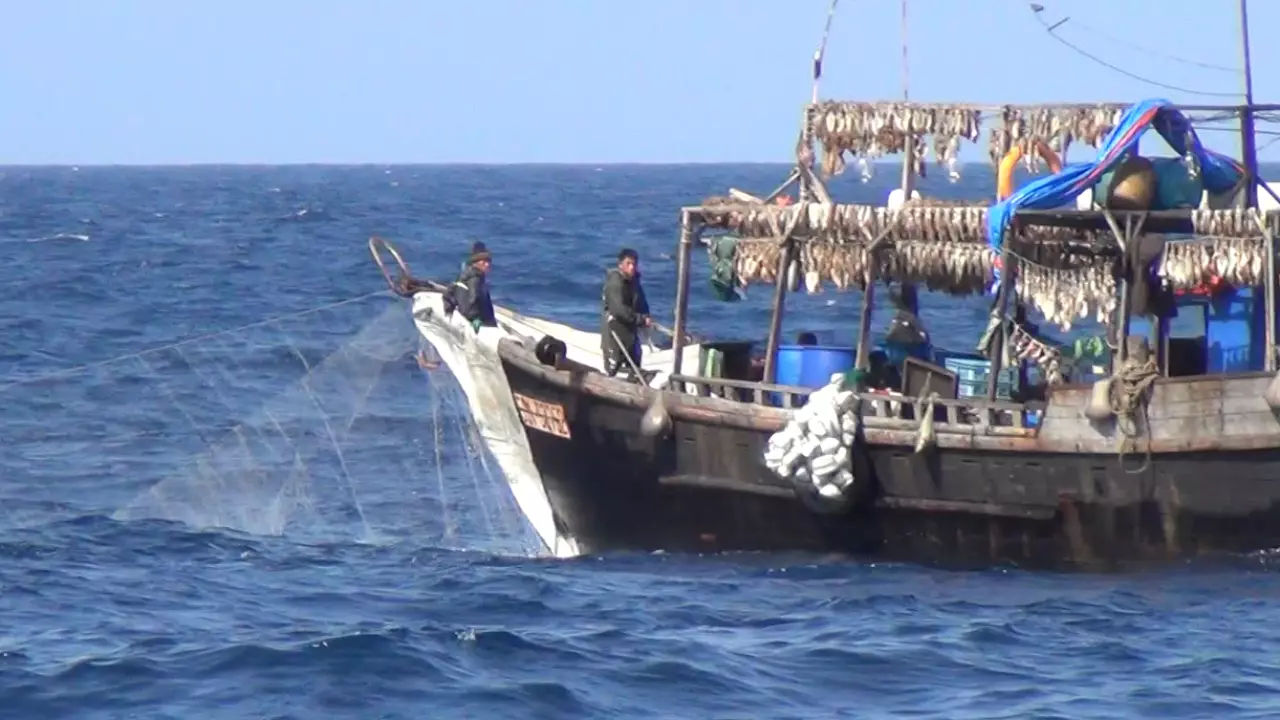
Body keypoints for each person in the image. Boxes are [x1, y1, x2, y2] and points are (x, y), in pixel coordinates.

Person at [601, 247, 651, 380]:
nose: (632, 267)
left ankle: (634, 381)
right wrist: (640, 319)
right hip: (615, 332)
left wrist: (646, 315)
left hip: (630, 333)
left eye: (634, 264)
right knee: (614, 365)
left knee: (635, 362)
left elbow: (641, 302)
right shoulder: (615, 284)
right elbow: (619, 310)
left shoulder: (634, 282)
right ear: (620, 265)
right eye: (628, 264)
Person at [443, 241, 497, 332]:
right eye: (484, 262)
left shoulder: (464, 276)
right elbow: (474, 298)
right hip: (480, 324)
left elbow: (450, 293)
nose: (487, 264)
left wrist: (448, 309)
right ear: (476, 263)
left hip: (466, 319)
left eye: (488, 261)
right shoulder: (475, 279)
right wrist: (475, 318)